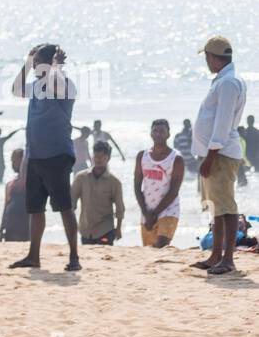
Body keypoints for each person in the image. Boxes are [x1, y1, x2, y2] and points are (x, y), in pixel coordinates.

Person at [8, 44, 82, 271]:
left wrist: (55, 66)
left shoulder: (65, 85)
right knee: (36, 209)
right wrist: (28, 62)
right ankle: (33, 255)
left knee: (64, 207)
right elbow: (16, 90)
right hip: (36, 155)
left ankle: (74, 257)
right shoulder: (38, 86)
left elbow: (57, 86)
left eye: (39, 62)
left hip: (57, 155)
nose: (35, 68)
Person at [191, 36, 248, 275]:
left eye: (207, 57)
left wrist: (210, 157)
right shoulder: (226, 81)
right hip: (217, 153)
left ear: (214, 58)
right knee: (217, 207)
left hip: (221, 154)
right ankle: (216, 255)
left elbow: (222, 124)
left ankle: (227, 259)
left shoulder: (228, 83)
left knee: (226, 206)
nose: (206, 62)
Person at [134, 119, 184, 248]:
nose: (158, 134)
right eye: (155, 131)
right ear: (151, 133)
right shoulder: (142, 156)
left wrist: (155, 213)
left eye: (162, 131)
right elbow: (137, 185)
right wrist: (146, 212)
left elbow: (174, 191)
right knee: (149, 250)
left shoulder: (176, 159)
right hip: (147, 210)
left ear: (168, 134)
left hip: (168, 210)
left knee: (161, 245)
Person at [71, 141, 124, 245]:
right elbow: (71, 203)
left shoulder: (114, 182)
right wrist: (72, 225)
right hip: (85, 230)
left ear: (108, 158)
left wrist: (118, 228)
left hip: (105, 229)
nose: (98, 159)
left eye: (102, 157)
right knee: (87, 259)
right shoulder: (81, 178)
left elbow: (119, 207)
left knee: (104, 258)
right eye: (96, 156)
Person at [0, 148, 30, 242]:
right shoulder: (10, 184)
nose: (12, 164)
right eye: (12, 161)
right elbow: (6, 207)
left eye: (14, 160)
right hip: (10, 227)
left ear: (23, 161)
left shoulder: (30, 182)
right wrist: (2, 227)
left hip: (25, 227)